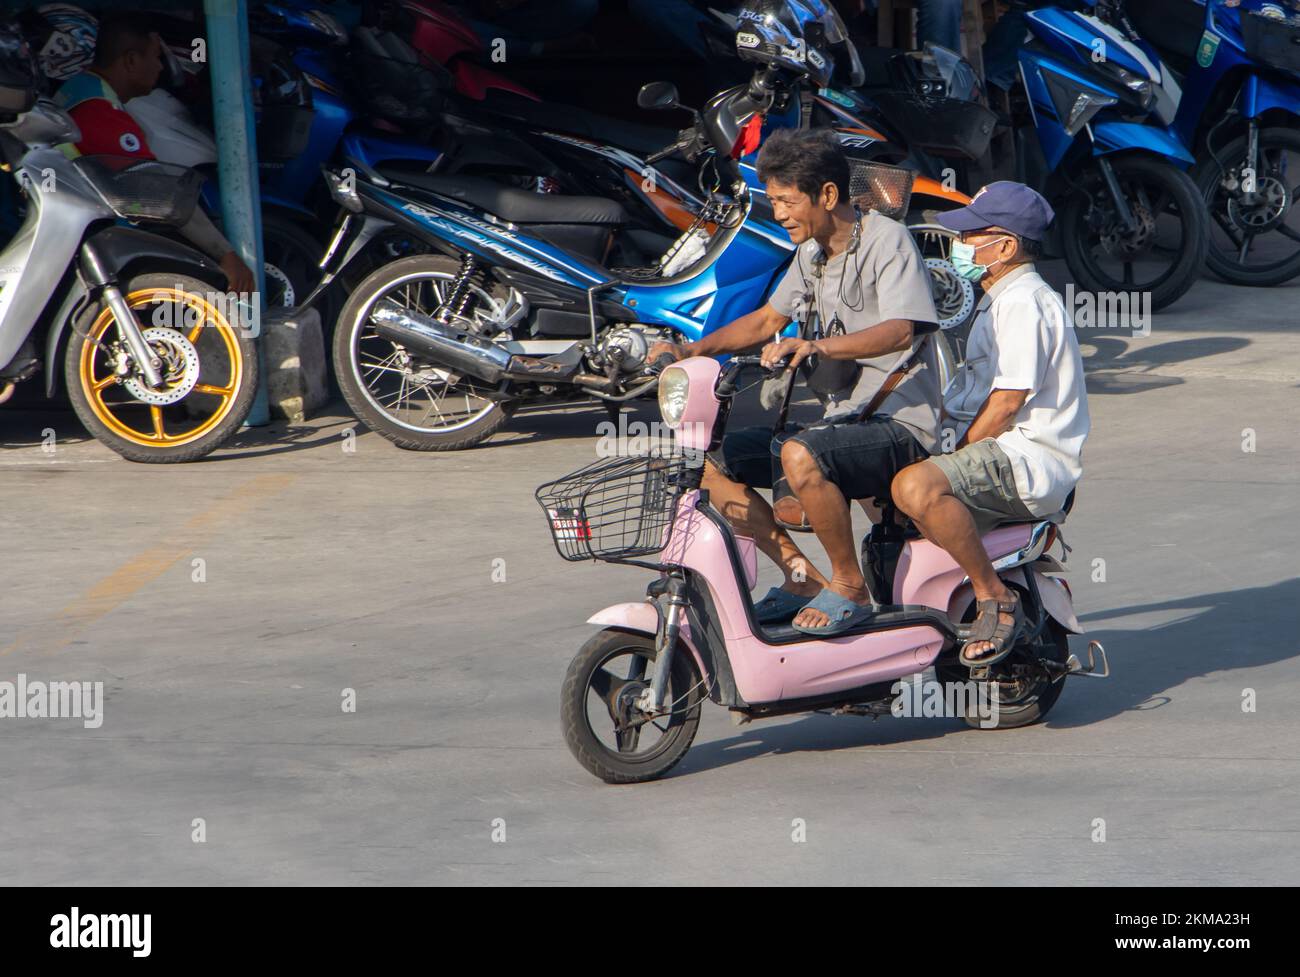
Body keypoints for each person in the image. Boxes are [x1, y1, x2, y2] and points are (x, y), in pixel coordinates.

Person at [649, 128, 942, 637]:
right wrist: (690, 349)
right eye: (774, 201)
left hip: (901, 423)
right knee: (707, 464)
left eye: (787, 201)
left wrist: (816, 347)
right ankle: (800, 576)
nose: (779, 213)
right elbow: (766, 320)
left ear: (828, 195)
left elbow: (901, 328)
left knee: (801, 454)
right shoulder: (811, 254)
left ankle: (848, 585)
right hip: (840, 422)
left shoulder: (887, 241)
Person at [890, 181, 1090, 666]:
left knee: (915, 488)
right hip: (1003, 451)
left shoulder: (1024, 302)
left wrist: (948, 460)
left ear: (1004, 245)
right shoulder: (999, 297)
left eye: (972, 235)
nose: (961, 247)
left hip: (1024, 457)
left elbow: (1005, 404)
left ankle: (992, 595)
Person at [54, 13, 254, 294]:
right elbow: (157, 191)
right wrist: (227, 255)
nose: (160, 67)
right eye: (156, 57)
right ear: (131, 60)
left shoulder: (81, 89)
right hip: (86, 245)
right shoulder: (98, 109)